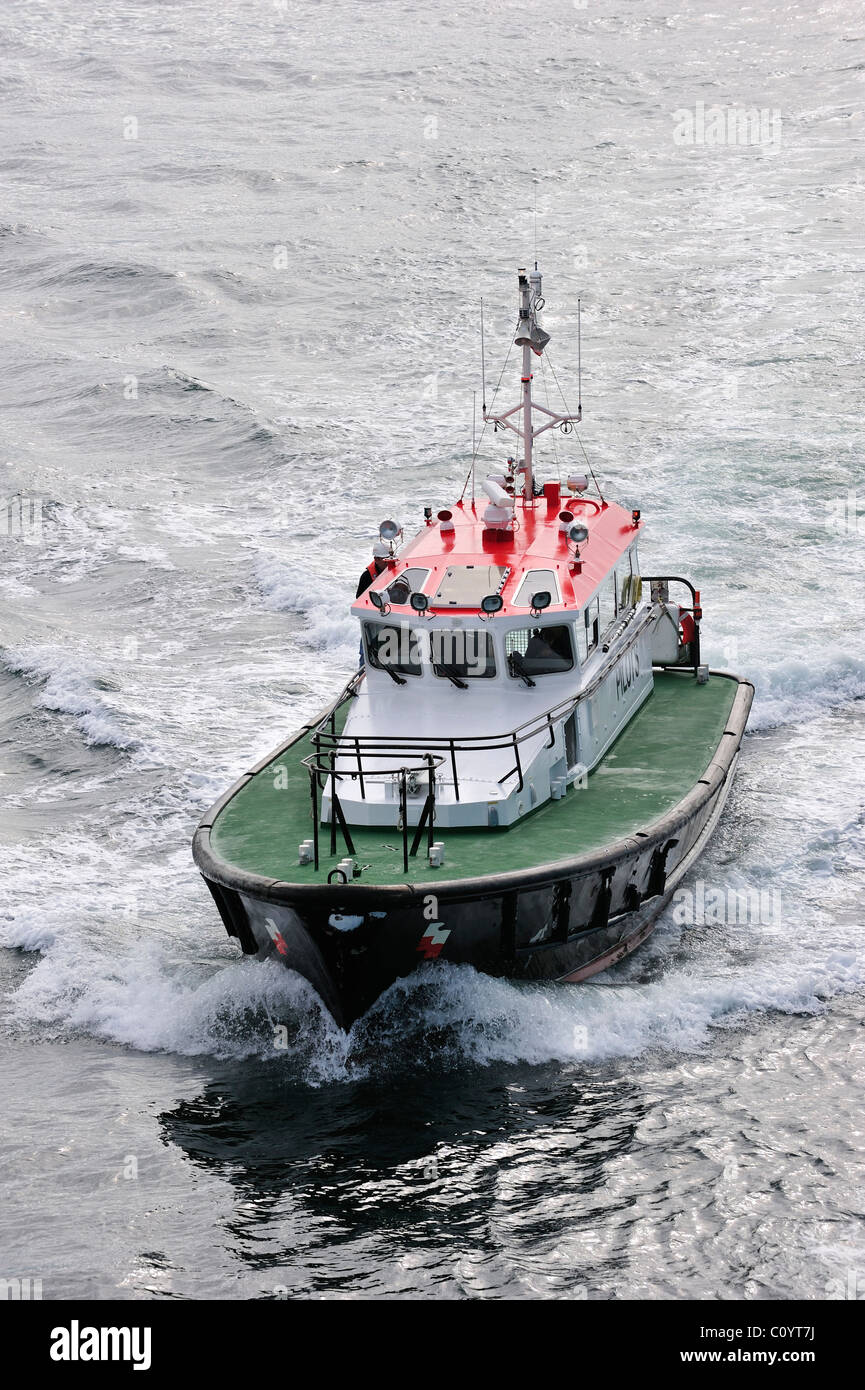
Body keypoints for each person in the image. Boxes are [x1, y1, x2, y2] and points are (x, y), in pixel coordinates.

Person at [356, 543, 390, 666]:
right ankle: (362, 675)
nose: (388, 562)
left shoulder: (395, 570)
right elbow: (359, 599)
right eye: (384, 559)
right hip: (372, 621)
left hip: (392, 618)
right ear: (376, 559)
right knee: (365, 652)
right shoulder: (366, 577)